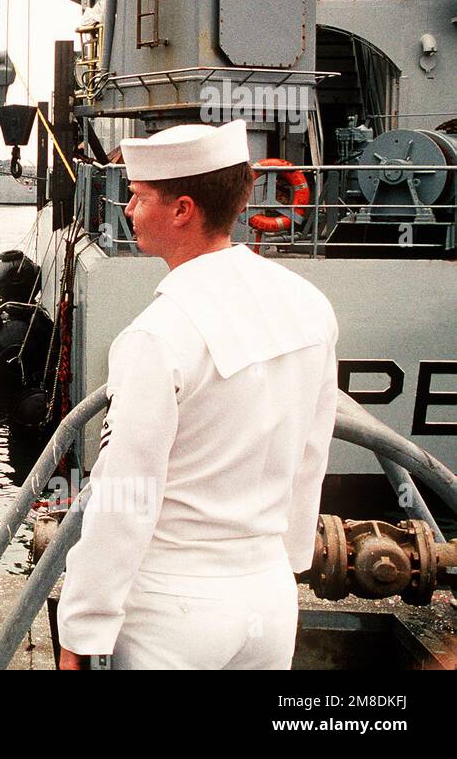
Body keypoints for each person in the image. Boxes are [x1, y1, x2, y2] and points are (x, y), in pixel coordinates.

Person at [56, 119, 339, 670]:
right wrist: (287, 561)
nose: (128, 210)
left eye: (139, 197)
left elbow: (125, 499)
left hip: (172, 611)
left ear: (182, 209)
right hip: (270, 598)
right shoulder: (309, 306)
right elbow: (312, 452)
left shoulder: (155, 336)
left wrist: (82, 630)